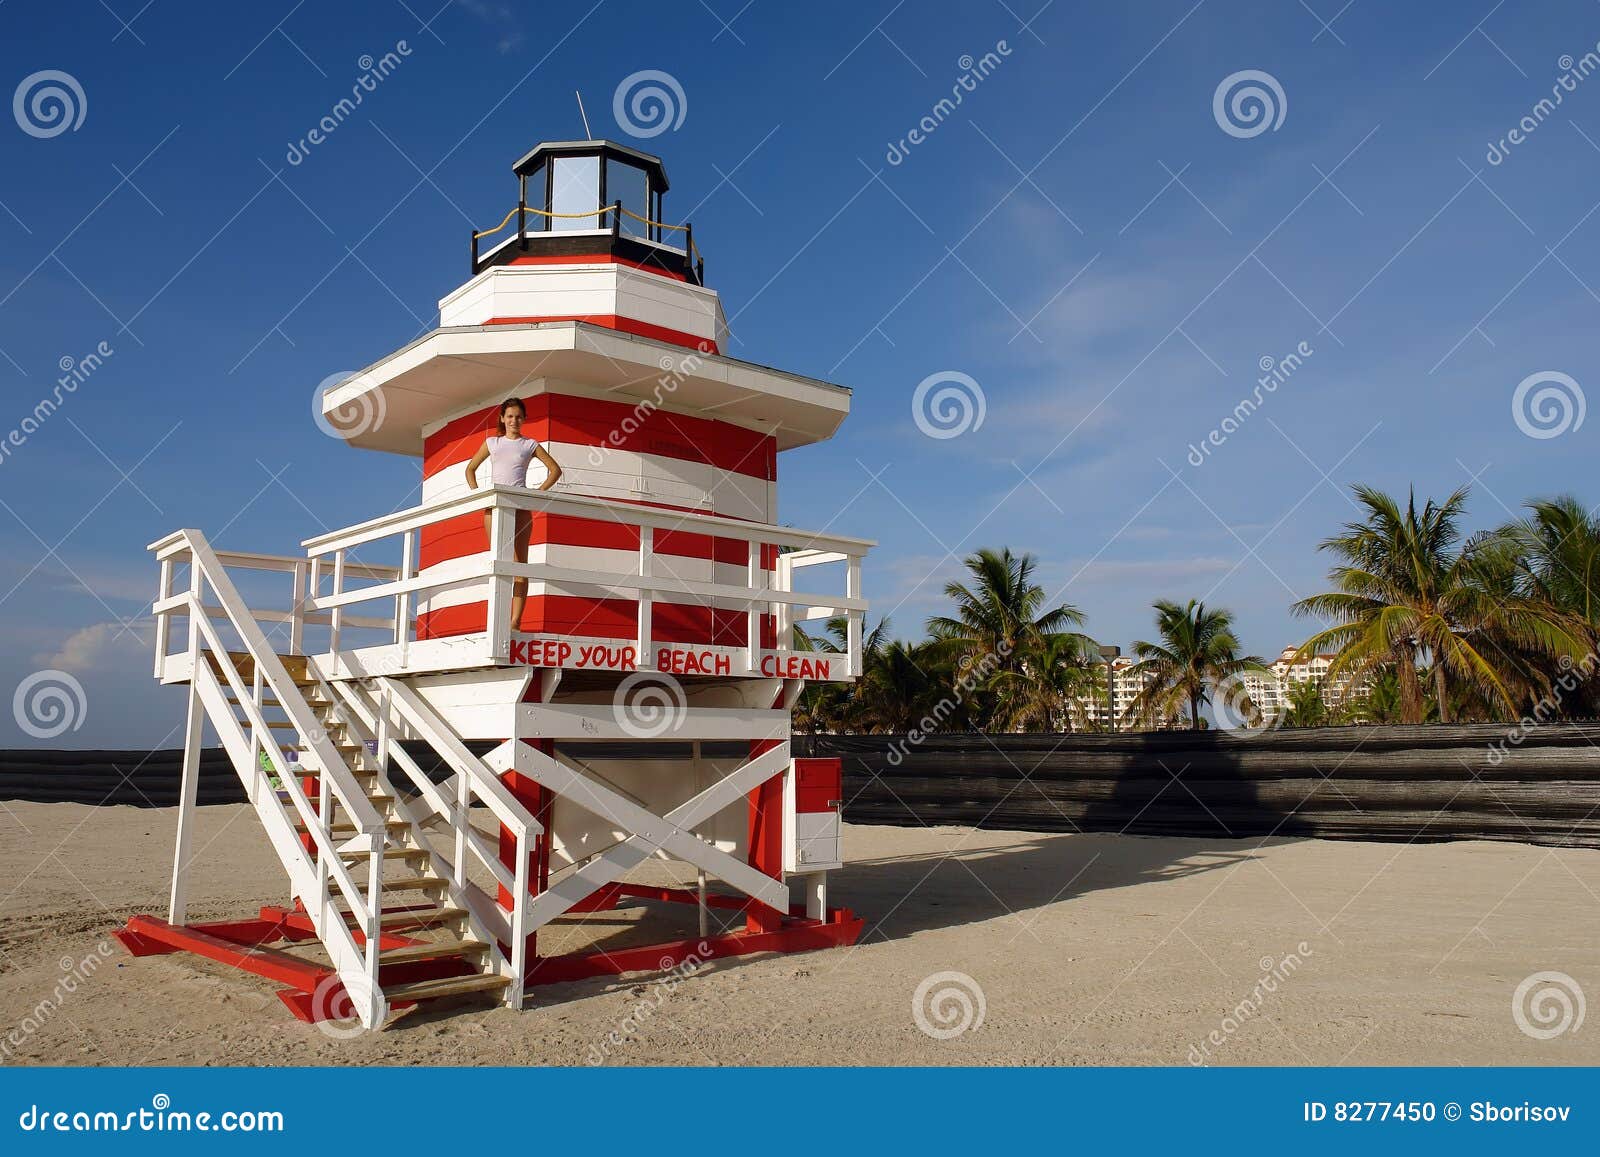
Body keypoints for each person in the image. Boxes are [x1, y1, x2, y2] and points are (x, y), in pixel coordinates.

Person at [465, 397, 563, 633]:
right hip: (494, 508)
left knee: (520, 565)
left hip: (521, 508)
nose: (514, 421)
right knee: (499, 562)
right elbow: (470, 469)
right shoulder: (492, 443)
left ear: (524, 419)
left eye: (518, 416)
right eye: (509, 416)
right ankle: (497, 618)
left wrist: (537, 494)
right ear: (502, 418)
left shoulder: (529, 444)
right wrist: (479, 495)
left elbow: (555, 470)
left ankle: (515, 622)